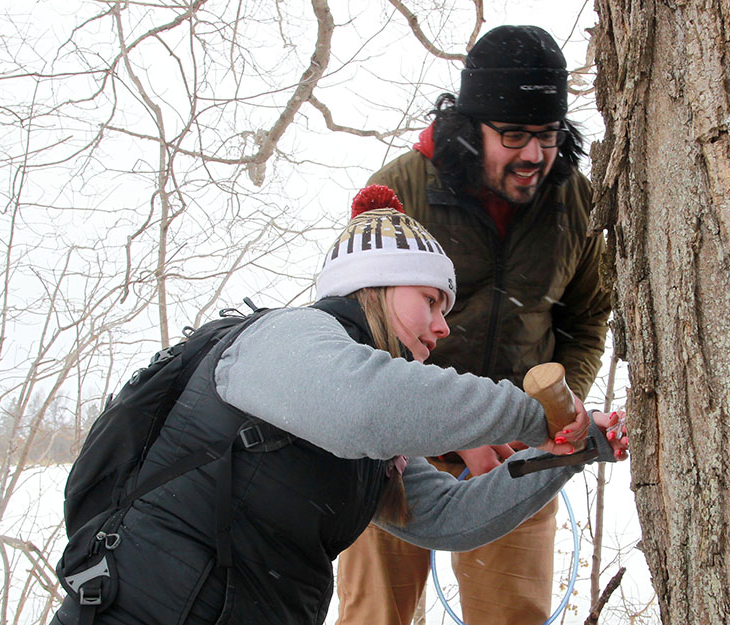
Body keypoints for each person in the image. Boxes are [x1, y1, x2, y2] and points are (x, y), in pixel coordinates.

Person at [48, 187, 626, 625]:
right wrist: (526, 412)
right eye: (430, 300)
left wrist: (565, 452)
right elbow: (368, 406)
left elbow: (449, 516)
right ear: (375, 284)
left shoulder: (365, 429)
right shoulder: (286, 340)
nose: (443, 326)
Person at [335, 24, 612, 625]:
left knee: (513, 616)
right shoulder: (401, 188)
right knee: (374, 617)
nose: (534, 155)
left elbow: (588, 315)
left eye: (547, 135)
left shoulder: (574, 203)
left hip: (519, 446)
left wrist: (556, 410)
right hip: (396, 444)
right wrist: (447, 421)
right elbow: (356, 324)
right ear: (471, 125)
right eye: (513, 135)